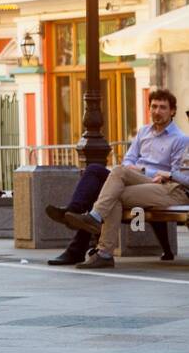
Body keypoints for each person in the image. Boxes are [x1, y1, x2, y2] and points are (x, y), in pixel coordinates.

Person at [50, 89, 187, 268]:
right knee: (96, 171)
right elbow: (128, 159)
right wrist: (134, 168)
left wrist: (143, 170)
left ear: (172, 111)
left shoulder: (180, 139)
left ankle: (93, 222)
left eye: (162, 107)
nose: (157, 111)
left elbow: (174, 174)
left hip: (159, 184)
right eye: (154, 106)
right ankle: (97, 243)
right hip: (132, 178)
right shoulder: (144, 132)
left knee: (116, 178)